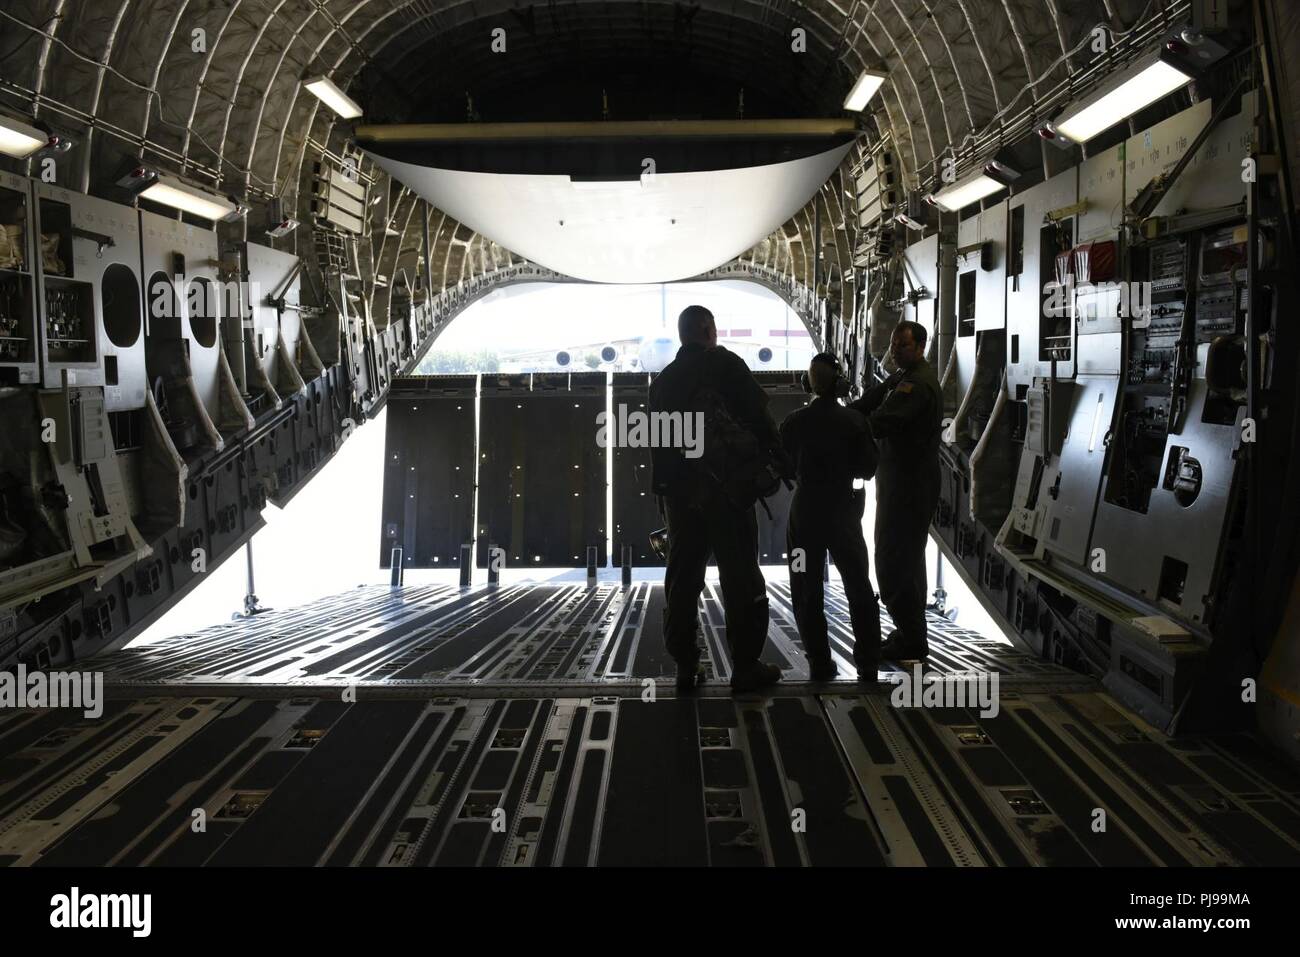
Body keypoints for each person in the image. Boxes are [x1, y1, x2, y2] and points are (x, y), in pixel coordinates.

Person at [648, 305, 783, 694]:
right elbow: (760, 420)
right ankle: (745, 666)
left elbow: (660, 446)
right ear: (709, 330)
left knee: (682, 579)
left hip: (682, 499)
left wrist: (666, 495)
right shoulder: (727, 366)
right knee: (740, 576)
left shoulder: (665, 380)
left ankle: (686, 666)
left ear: (681, 335)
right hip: (730, 494)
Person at [779, 353, 882, 681]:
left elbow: (782, 466)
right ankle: (867, 662)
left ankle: (819, 662)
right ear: (839, 383)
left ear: (807, 383)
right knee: (858, 585)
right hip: (843, 514)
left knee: (803, 586)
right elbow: (868, 467)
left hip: (803, 515)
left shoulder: (793, 421)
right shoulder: (854, 421)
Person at [849, 320, 942, 661]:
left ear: (920, 346)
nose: (895, 351)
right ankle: (910, 633)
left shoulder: (916, 385)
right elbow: (872, 400)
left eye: (902, 346)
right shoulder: (902, 377)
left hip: (908, 485)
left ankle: (912, 640)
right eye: (892, 345)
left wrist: (843, 427)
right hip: (902, 482)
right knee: (909, 560)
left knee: (893, 559)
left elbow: (882, 420)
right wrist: (844, 412)